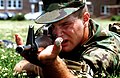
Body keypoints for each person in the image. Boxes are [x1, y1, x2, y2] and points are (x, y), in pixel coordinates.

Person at [14, 0, 120, 78]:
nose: (58, 34)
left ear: (85, 19)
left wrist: (50, 64)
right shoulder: (48, 32)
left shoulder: (105, 46)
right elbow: (19, 67)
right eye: (53, 25)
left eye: (65, 24)